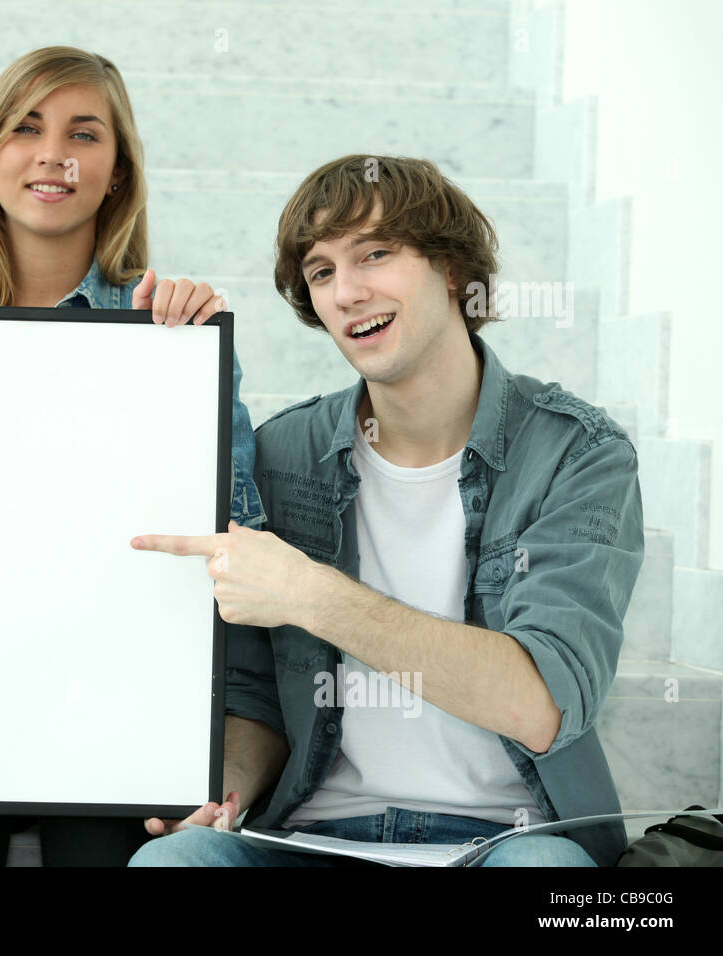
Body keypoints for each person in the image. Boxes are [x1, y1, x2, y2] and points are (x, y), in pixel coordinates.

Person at [127, 155, 645, 867]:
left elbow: (541, 702)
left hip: (505, 844)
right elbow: (258, 696)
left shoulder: (576, 453)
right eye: (322, 272)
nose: (347, 291)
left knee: (546, 874)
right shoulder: (286, 453)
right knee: (173, 864)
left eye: (375, 254)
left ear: (453, 270)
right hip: (315, 839)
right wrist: (227, 793)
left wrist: (312, 595)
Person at [0, 46, 267, 866]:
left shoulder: (171, 334)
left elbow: (238, 537)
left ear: (118, 172)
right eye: (27, 127)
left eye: (84, 133)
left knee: (108, 836)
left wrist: (190, 371)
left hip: (113, 702)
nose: (54, 152)